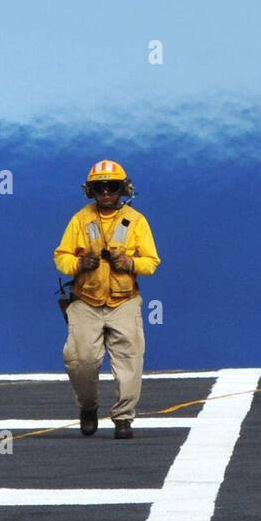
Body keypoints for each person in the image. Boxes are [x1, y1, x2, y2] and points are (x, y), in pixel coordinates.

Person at [53, 160, 160, 439]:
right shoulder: (80, 220)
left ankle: (123, 417)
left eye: (112, 187)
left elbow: (151, 261)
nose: (106, 193)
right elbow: (61, 257)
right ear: (90, 191)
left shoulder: (136, 221)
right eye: (99, 188)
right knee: (80, 360)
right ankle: (88, 407)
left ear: (123, 189)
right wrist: (79, 264)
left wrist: (131, 263)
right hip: (85, 301)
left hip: (124, 300)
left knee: (129, 360)